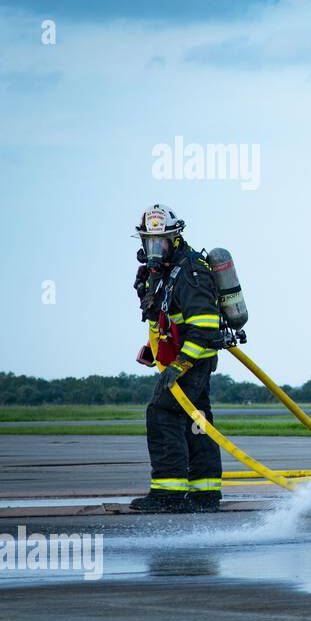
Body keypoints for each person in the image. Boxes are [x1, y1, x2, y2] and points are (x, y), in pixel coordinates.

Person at [130, 205, 224, 513]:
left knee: (162, 414)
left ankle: (168, 493)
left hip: (192, 360)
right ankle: (205, 492)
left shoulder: (190, 270)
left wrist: (180, 364)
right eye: (149, 242)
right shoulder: (167, 271)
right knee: (197, 420)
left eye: (162, 241)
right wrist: (153, 348)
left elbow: (206, 325)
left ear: (176, 236)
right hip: (187, 358)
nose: (155, 248)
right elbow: (168, 318)